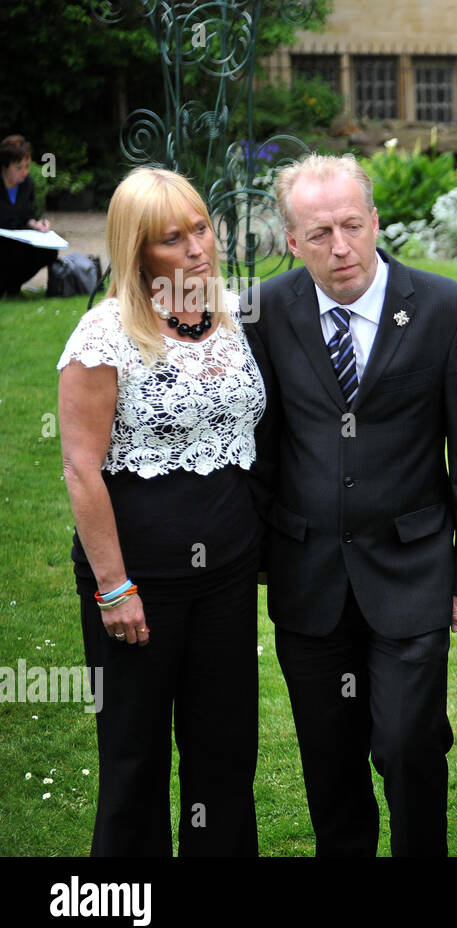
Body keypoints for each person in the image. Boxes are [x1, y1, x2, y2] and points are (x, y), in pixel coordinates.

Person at [246, 154, 457, 857]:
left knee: (406, 744)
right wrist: (260, 553)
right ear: (292, 242)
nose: (341, 246)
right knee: (330, 760)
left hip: (412, 565)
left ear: (376, 221)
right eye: (320, 232)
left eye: (353, 225)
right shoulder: (265, 314)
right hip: (309, 574)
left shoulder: (449, 309)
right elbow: (263, 449)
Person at [57, 166, 264, 855]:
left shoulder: (231, 315)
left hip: (229, 577)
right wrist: (115, 589)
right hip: (138, 581)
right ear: (138, 250)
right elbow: (82, 468)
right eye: (172, 238)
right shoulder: (103, 335)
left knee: (226, 755)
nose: (197, 247)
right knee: (134, 759)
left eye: (201, 227)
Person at [1, 135, 57, 296]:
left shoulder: (27, 184)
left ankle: (12, 286)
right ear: (5, 166)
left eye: (27, 166)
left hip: (18, 238)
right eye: (19, 167)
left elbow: (28, 215)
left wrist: (37, 224)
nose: (24, 172)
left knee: (49, 251)